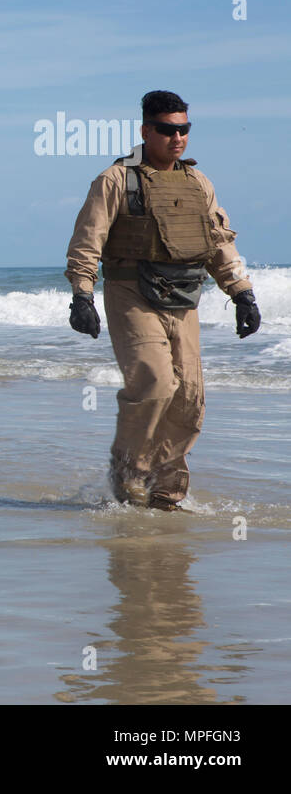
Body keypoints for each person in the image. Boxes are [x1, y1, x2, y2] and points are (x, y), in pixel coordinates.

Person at [65, 91, 260, 510]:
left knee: (189, 398)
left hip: (184, 299)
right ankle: (128, 477)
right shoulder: (116, 180)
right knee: (154, 383)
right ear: (145, 130)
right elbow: (88, 240)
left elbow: (218, 243)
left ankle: (167, 494)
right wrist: (82, 294)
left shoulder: (197, 183)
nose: (178, 138)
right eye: (168, 130)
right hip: (132, 294)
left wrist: (242, 293)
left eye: (184, 129)